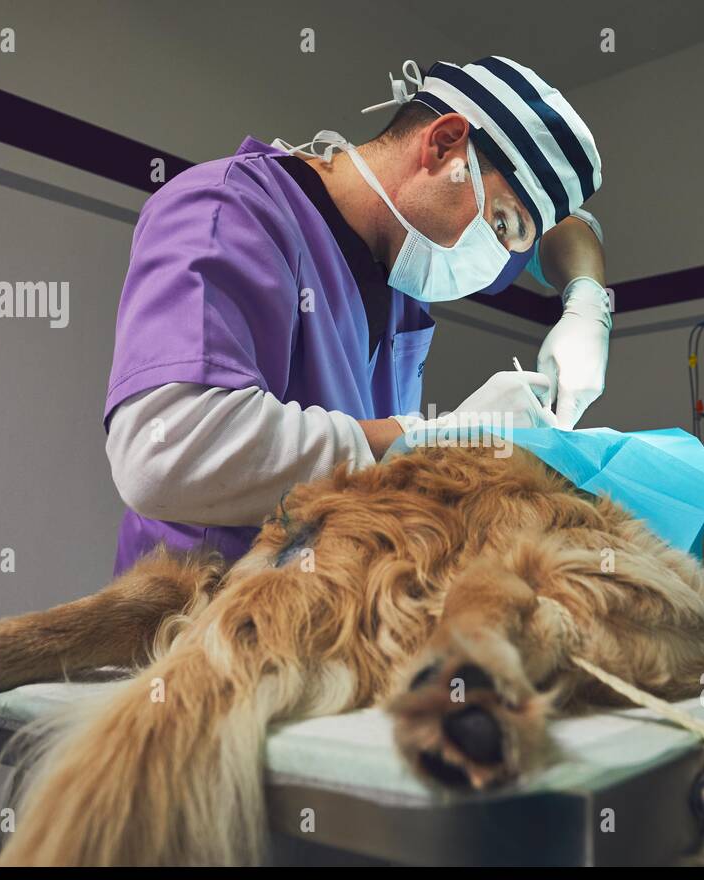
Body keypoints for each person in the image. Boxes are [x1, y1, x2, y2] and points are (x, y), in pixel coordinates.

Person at [104, 57, 608, 575]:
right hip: (197, 625)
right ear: (442, 145)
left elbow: (567, 227)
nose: (496, 260)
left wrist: (588, 304)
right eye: (501, 223)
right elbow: (163, 456)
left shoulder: (408, 257)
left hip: (334, 621)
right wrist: (434, 440)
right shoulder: (231, 211)